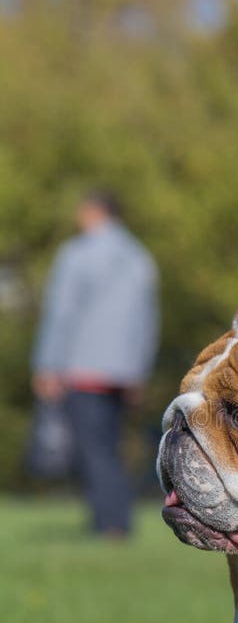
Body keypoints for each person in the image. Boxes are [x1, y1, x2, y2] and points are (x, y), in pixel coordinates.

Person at [31, 190, 159, 536]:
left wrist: (47, 364)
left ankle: (112, 524)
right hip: (122, 372)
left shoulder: (77, 254)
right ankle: (112, 518)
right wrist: (138, 371)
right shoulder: (139, 258)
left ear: (92, 212)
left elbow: (61, 313)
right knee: (109, 446)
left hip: (83, 367)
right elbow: (148, 321)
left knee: (92, 450)